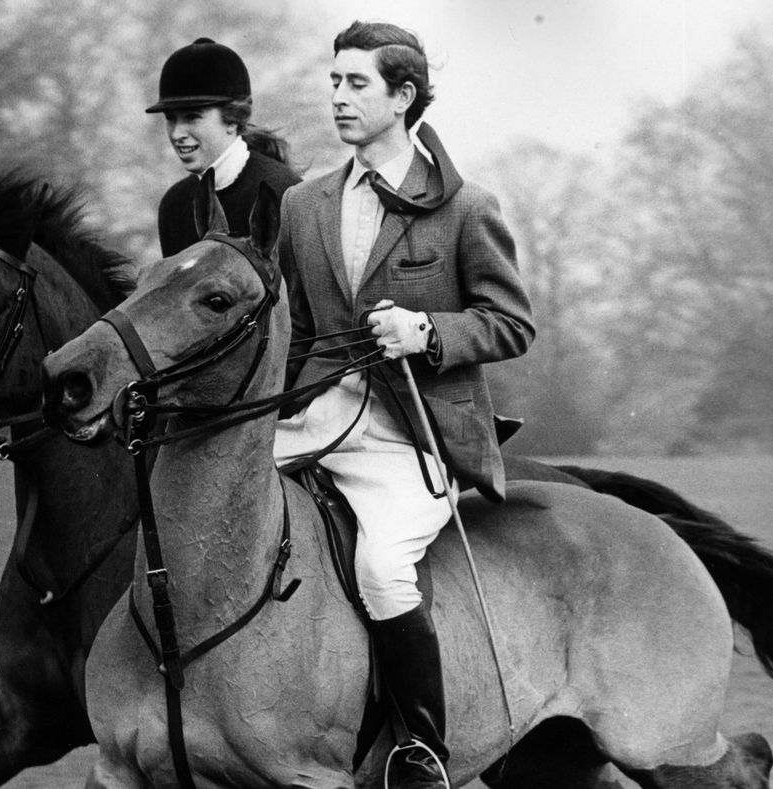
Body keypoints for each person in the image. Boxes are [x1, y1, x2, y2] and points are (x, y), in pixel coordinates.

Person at [273, 20, 535, 788]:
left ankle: (421, 750)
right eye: (334, 82)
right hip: (315, 417)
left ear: (404, 96)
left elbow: (512, 324)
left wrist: (427, 330)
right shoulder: (303, 205)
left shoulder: (465, 208)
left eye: (356, 84)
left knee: (384, 568)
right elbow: (299, 332)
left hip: (410, 437)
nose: (338, 97)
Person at [146, 37, 301, 257]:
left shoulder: (284, 193)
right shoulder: (174, 205)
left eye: (192, 117)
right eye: (170, 118)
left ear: (232, 119)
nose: (177, 133)